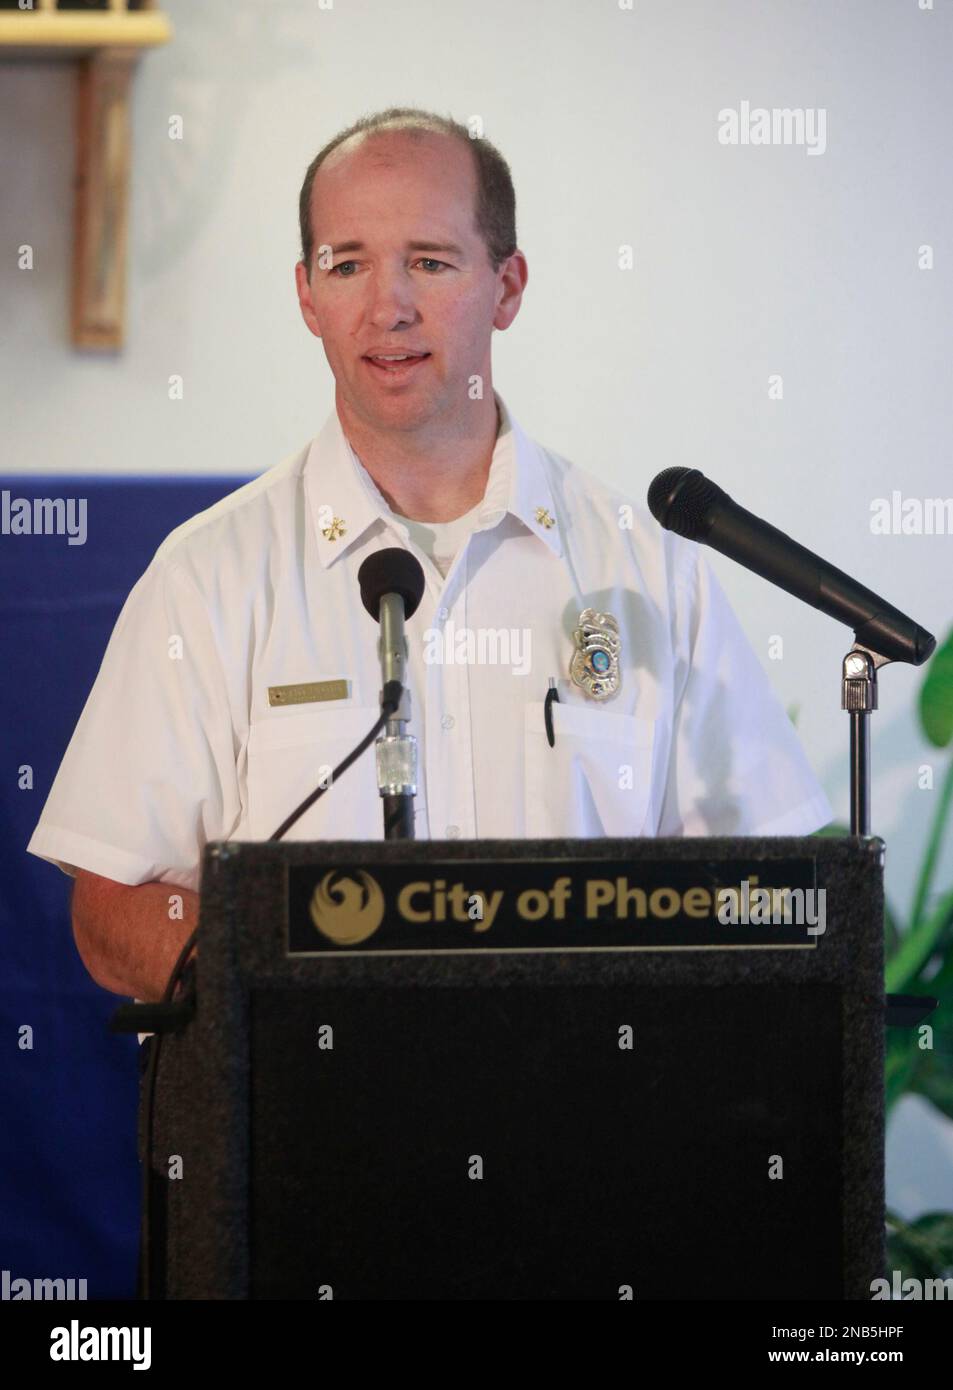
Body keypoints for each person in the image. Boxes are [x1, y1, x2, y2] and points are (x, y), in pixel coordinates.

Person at [26, 107, 833, 1012]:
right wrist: (304, 985)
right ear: (306, 296)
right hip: (314, 1123)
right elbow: (112, 907)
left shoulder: (647, 568)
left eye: (429, 261)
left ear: (508, 285)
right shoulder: (209, 575)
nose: (387, 307)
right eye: (348, 265)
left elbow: (772, 889)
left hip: (594, 1118)